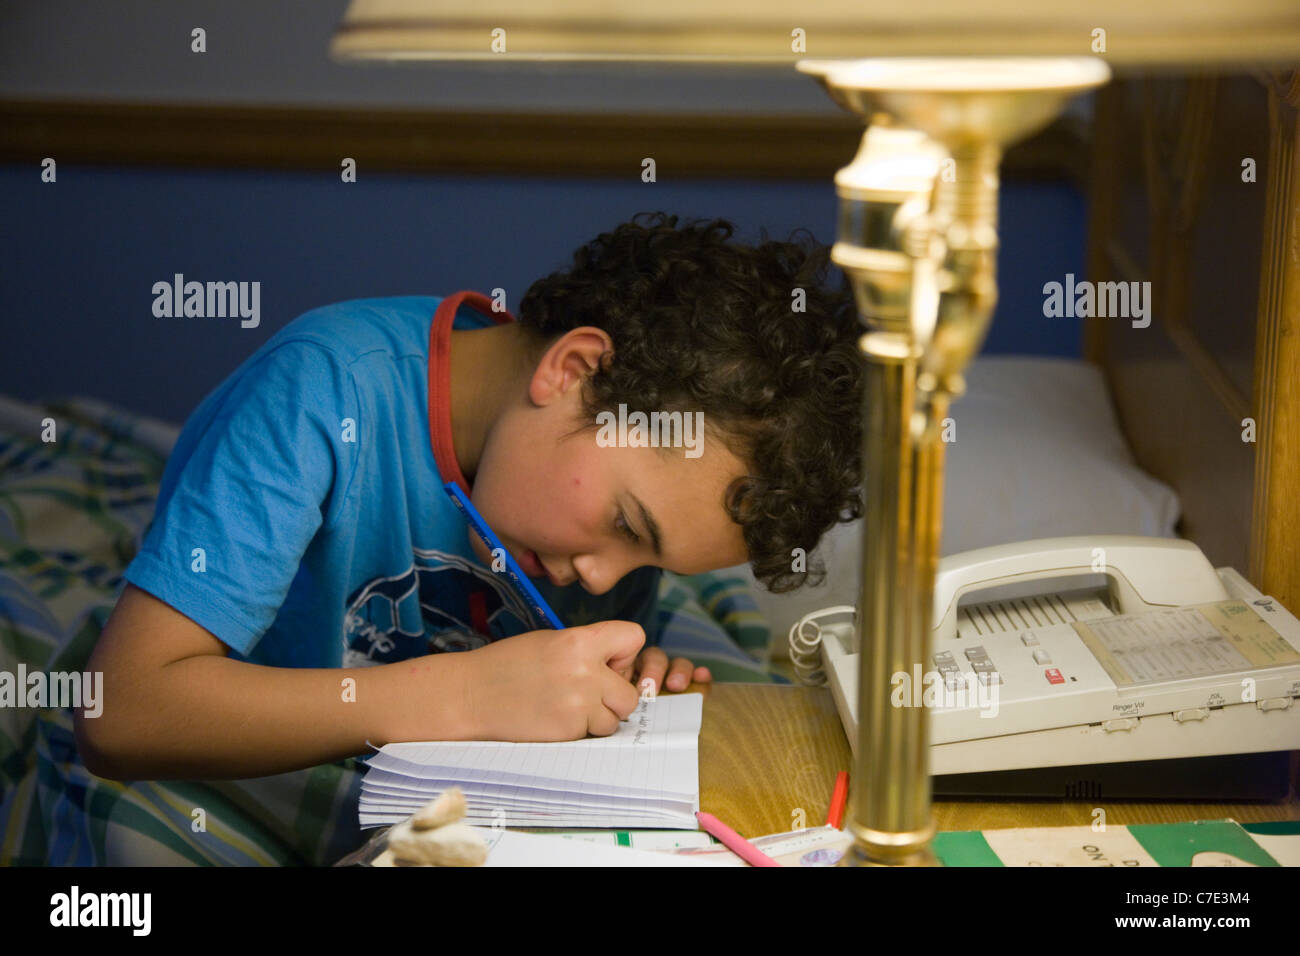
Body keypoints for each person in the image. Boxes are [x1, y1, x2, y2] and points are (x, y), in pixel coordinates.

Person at [74, 211, 864, 781]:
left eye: (648, 562)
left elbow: (542, 686)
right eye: (624, 523)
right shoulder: (323, 390)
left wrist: (615, 687)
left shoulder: (595, 528)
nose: (600, 578)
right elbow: (122, 714)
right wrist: (467, 695)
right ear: (575, 372)